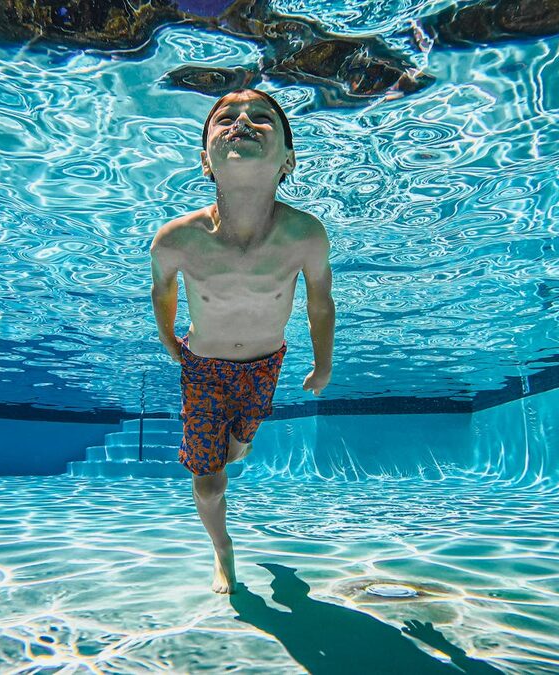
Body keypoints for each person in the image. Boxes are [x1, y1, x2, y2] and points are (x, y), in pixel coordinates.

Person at [150, 88, 335, 593]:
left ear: (288, 160)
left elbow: (320, 302)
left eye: (261, 118)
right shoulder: (176, 238)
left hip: (263, 365)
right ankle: (222, 550)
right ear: (206, 161)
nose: (242, 123)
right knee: (210, 482)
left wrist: (324, 364)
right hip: (203, 368)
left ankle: (239, 441)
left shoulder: (306, 234)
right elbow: (161, 289)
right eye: (226, 117)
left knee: (237, 449)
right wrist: (168, 338)